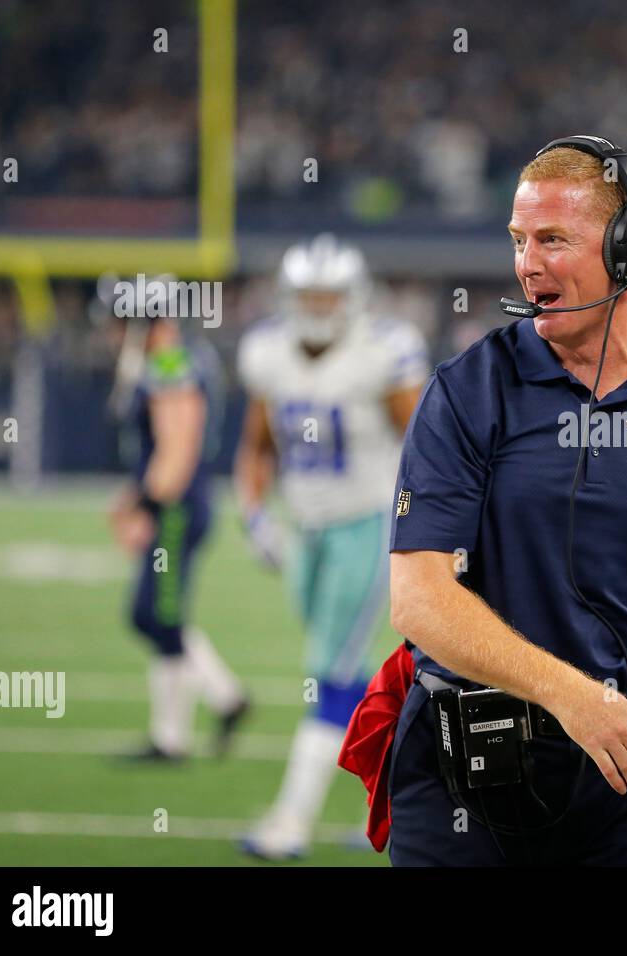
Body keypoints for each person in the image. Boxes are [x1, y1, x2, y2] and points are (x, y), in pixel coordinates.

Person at [385, 135, 627, 866]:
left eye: (553, 239)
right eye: (519, 239)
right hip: (472, 763)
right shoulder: (468, 391)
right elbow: (419, 598)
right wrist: (571, 697)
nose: (527, 263)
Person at [234, 235, 428, 859]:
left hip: (368, 525)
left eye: (330, 294)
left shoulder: (382, 353)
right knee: (343, 667)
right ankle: (412, 803)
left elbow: (429, 446)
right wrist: (254, 511)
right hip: (308, 528)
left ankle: (290, 822)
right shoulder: (267, 352)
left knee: (329, 670)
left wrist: (430, 529)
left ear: (354, 297)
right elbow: (258, 443)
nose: (319, 305)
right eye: (309, 294)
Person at [102, 274, 249, 761]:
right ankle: (187, 723)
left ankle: (215, 702)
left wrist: (144, 505)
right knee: (160, 616)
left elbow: (177, 449)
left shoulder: (169, 362)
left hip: (176, 510)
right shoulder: (175, 357)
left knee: (153, 614)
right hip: (176, 505)